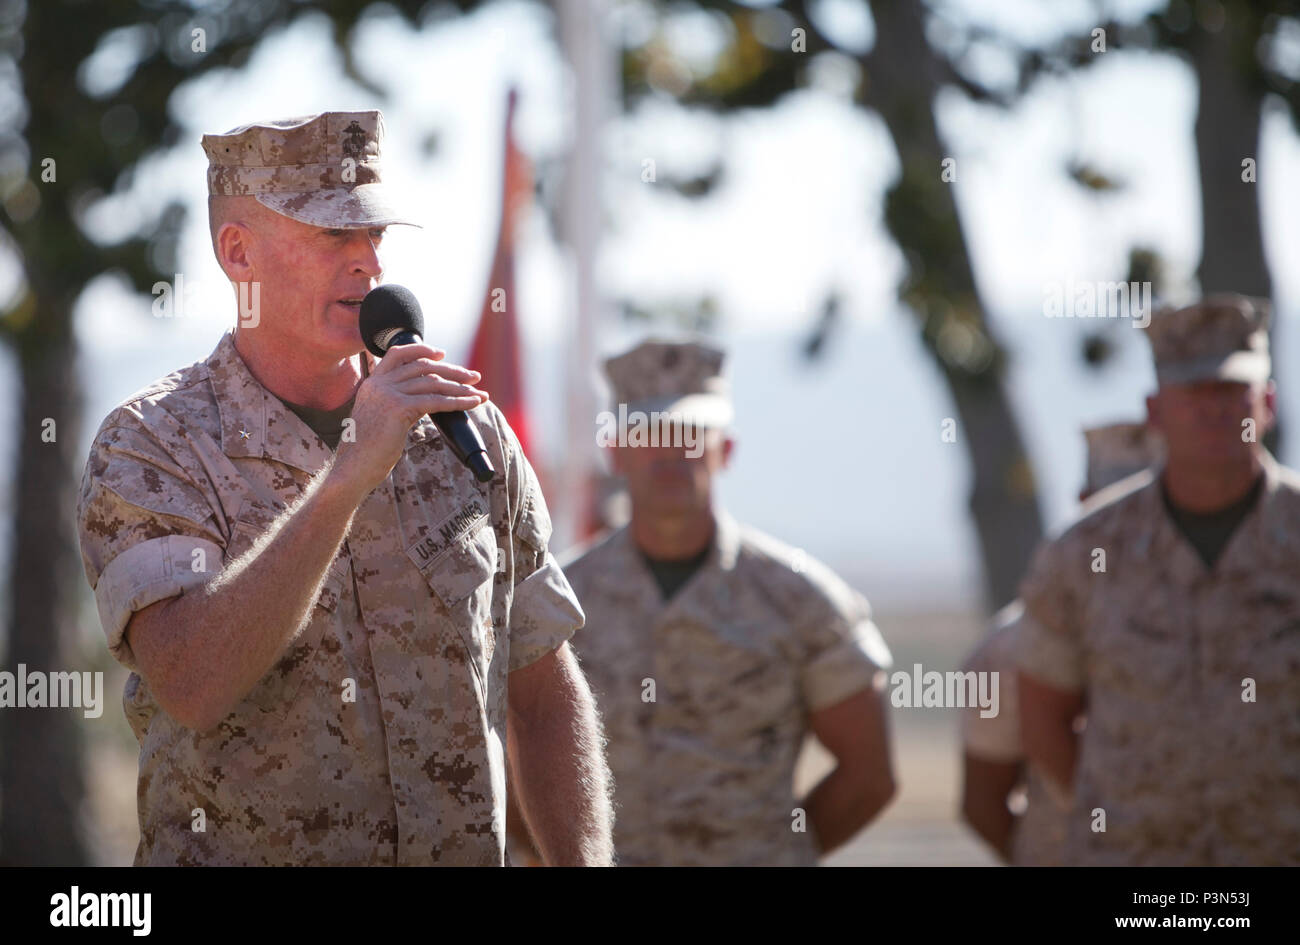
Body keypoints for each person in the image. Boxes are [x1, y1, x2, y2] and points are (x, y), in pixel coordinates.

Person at [75, 110, 613, 866]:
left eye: (375, 235)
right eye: (333, 235)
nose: (368, 262)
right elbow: (193, 683)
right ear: (238, 253)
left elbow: (542, 686)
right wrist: (346, 481)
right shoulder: (152, 445)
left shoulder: (466, 429)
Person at [559, 337, 897, 865]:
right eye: (649, 432)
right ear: (615, 452)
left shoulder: (801, 601)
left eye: (691, 433)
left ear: (727, 449)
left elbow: (868, 775)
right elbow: (514, 754)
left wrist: (776, 853)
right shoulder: (558, 602)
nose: (671, 452)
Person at [1017, 294, 1300, 865]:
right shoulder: (1085, 552)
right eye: (1193, 394)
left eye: (1231, 392)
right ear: (1154, 411)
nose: (1214, 412)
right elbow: (1044, 715)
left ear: (1267, 403)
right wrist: (1132, 809)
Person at [959, 422, 1162, 865]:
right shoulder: (1008, 652)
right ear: (1086, 505)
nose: (1138, 529)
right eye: (1119, 508)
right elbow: (983, 803)